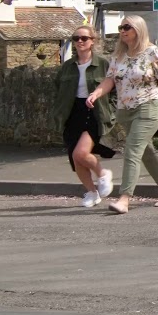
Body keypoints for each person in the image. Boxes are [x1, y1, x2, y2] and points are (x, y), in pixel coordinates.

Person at [85, 15, 158, 214]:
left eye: (127, 27)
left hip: (149, 107)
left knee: (132, 150)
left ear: (138, 29)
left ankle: (124, 198)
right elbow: (110, 80)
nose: (123, 31)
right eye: (121, 27)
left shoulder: (153, 52)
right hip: (125, 111)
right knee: (145, 151)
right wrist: (96, 93)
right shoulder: (118, 55)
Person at [54, 25, 115, 208]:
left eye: (84, 38)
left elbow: (114, 90)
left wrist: (111, 110)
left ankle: (103, 174)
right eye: (76, 38)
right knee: (76, 158)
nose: (80, 41)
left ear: (92, 41)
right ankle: (92, 192)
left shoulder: (103, 64)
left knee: (80, 153)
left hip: (95, 111)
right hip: (72, 112)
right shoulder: (67, 67)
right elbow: (57, 90)